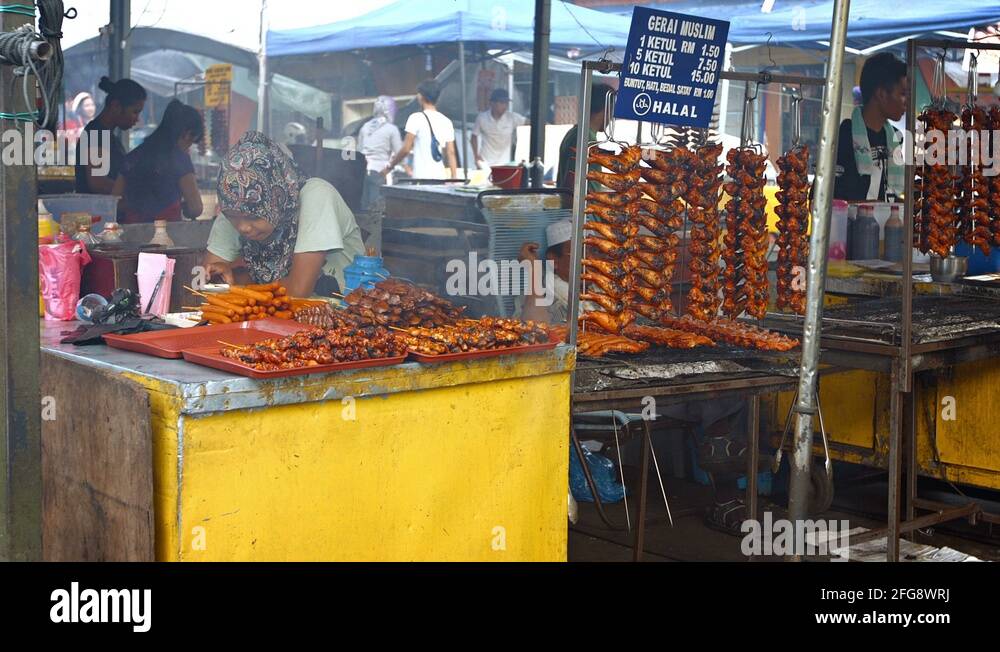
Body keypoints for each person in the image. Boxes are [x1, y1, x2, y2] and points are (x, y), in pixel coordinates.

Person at [204, 131, 366, 297]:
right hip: (274, 309)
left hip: (342, 308)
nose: (243, 227)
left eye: (254, 216)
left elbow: (298, 291)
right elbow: (211, 288)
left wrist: (237, 287)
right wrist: (223, 277)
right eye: (231, 217)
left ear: (277, 197)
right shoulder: (235, 206)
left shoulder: (317, 196)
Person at [112, 100, 204, 224]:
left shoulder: (133, 156)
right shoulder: (179, 159)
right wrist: (185, 209)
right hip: (168, 231)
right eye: (192, 141)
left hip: (131, 230)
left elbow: (114, 202)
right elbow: (195, 208)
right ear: (187, 134)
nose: (189, 146)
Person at [834, 53, 907, 201]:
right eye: (903, 94)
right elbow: (824, 196)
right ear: (881, 94)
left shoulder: (896, 137)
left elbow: (889, 194)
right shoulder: (845, 135)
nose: (907, 101)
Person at [75, 77, 147, 195]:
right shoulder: (96, 134)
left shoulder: (108, 137)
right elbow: (98, 183)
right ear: (116, 106)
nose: (137, 119)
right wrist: (137, 193)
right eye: (135, 112)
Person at [383, 79, 457, 180]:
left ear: (421, 96)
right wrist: (454, 177)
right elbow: (451, 152)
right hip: (439, 177)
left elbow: (406, 149)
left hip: (421, 177)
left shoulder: (415, 118)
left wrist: (390, 166)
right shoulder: (446, 122)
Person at [557, 83, 613, 191]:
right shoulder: (584, 139)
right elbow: (572, 183)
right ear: (606, 109)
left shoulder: (576, 133)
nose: (611, 118)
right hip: (581, 202)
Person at [517, 220, 575, 324]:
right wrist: (534, 269)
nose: (591, 259)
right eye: (580, 254)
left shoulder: (601, 288)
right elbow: (534, 330)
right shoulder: (538, 294)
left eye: (595, 251)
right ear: (554, 260)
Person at [358, 95, 402, 211]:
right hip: (381, 173)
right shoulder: (391, 129)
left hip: (363, 172)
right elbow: (400, 154)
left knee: (364, 208)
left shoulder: (364, 127)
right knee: (377, 210)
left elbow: (359, 151)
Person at [471, 88, 526, 168]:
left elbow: (529, 122)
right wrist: (476, 156)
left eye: (506, 103)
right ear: (492, 103)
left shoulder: (512, 117)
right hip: (485, 163)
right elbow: (474, 136)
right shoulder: (482, 118)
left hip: (505, 164)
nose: (505, 106)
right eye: (502, 103)